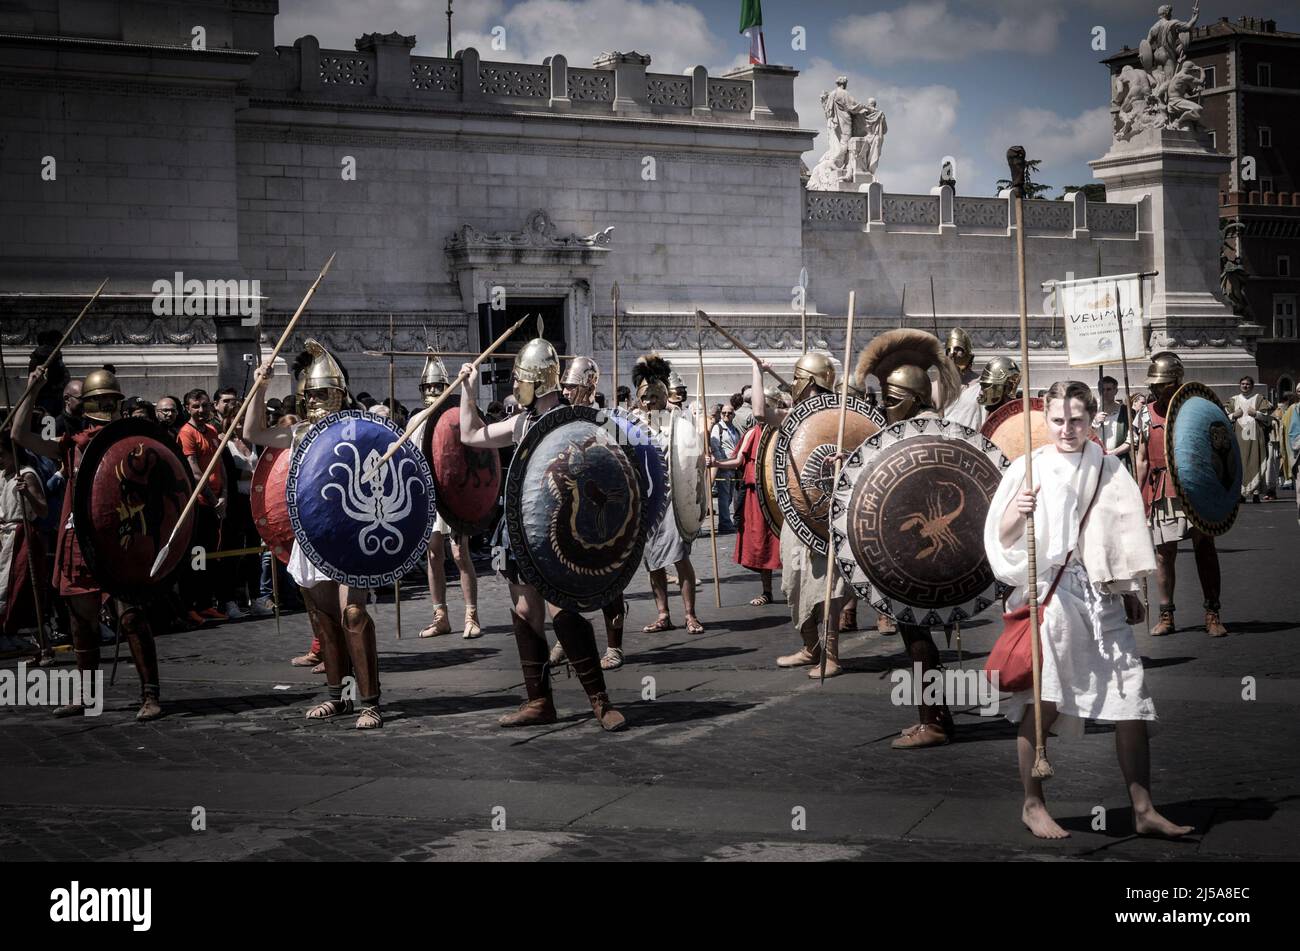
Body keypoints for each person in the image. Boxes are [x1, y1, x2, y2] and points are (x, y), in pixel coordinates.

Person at [987, 379, 1192, 841]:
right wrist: (1019, 510)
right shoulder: (1030, 468)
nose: (1066, 429)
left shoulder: (1107, 466)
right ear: (1046, 418)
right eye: (1057, 420)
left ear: (1091, 417)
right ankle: (1033, 804)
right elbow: (999, 537)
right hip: (1052, 596)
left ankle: (1143, 809)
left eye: (1076, 419)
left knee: (1131, 700)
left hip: (1102, 596)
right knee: (1045, 701)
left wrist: (1130, 589)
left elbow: (1121, 531)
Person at [459, 338, 627, 730]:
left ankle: (600, 701)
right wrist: (467, 389)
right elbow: (470, 435)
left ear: (534, 383)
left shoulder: (579, 422)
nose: (515, 387)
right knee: (524, 612)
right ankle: (539, 702)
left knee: (562, 611)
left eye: (519, 380)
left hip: (562, 534)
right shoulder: (522, 423)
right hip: (521, 529)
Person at [12, 366, 165, 720]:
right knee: (82, 623)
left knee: (130, 618)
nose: (105, 406)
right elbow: (20, 434)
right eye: (99, 401)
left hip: (121, 542)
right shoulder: (73, 446)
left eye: (110, 400)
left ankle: (150, 694)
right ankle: (87, 696)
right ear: (84, 405)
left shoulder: (134, 445)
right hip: (78, 540)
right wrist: (32, 388)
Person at [245, 342, 384, 729]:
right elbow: (253, 431)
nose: (322, 399)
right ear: (305, 397)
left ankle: (370, 701)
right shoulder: (298, 431)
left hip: (354, 535)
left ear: (341, 393)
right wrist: (260, 387)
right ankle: (339, 698)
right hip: (312, 533)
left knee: (352, 613)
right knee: (323, 619)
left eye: (328, 393)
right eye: (315, 394)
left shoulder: (359, 428)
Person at [856, 330, 962, 742]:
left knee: (917, 636)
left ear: (914, 397)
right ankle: (936, 716)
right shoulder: (909, 431)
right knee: (914, 634)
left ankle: (934, 722)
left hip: (924, 558)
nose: (884, 405)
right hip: (910, 549)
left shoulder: (925, 433)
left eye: (891, 397)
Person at [749, 348, 854, 674]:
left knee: (829, 587)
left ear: (809, 380)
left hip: (828, 517)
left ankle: (832, 656)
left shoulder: (840, 416)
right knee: (794, 582)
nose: (793, 383)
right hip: (798, 514)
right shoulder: (794, 416)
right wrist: (758, 370)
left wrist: (845, 458)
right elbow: (759, 413)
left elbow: (864, 452)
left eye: (797, 378)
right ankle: (811, 647)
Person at [1135, 352, 1228, 637]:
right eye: (1154, 384)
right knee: (1164, 555)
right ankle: (1167, 615)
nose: (1155, 389)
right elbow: (1141, 458)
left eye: (1161, 383)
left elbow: (1220, 452)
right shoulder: (1144, 414)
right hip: (1161, 488)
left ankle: (1212, 613)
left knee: (1205, 549)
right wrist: (1136, 496)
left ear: (1176, 382)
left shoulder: (1197, 410)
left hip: (1194, 486)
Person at [550, 355, 629, 669]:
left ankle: (614, 648)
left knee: (610, 583)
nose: (566, 392)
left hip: (604, 510)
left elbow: (625, 465)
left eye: (571, 387)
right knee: (566, 580)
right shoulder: (561, 418)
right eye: (565, 387)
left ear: (586, 386)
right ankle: (568, 641)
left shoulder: (606, 421)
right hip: (572, 505)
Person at [634, 354, 705, 636]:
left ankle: (690, 614)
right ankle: (663, 614)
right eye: (645, 396)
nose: (649, 401)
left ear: (664, 395)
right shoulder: (632, 426)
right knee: (653, 561)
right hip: (648, 504)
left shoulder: (680, 423)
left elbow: (692, 464)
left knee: (679, 557)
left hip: (675, 501)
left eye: (654, 395)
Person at [413, 351, 481, 641]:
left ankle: (471, 615)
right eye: (428, 388)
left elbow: (472, 453)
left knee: (459, 553)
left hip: (453, 495)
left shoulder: (455, 417)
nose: (433, 392)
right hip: (429, 496)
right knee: (433, 554)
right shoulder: (414, 421)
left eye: (437, 387)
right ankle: (440, 616)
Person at [708, 383, 782, 606]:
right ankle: (767, 591)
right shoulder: (752, 433)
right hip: (755, 496)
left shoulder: (785, 431)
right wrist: (716, 462)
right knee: (761, 543)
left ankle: (795, 589)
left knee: (787, 545)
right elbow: (739, 460)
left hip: (782, 497)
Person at [178, 389, 228, 625]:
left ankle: (206, 603)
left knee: (210, 556)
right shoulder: (186, 433)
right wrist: (212, 499)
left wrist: (224, 495)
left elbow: (220, 465)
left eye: (205, 406)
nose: (201, 411)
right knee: (195, 558)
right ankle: (191, 605)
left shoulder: (211, 430)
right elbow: (196, 472)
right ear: (187, 408)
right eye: (196, 407)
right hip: (199, 505)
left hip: (216, 501)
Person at [0, 432, 47, 654]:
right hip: (5, 537)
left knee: (21, 590)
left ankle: (43, 645)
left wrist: (27, 493)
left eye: (2, 454)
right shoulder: (2, 475)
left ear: (13, 453)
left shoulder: (26, 475)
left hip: (24, 536)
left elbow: (43, 510)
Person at [1229, 376, 1270, 504]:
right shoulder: (1233, 400)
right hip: (1239, 436)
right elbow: (1223, 416)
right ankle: (1241, 493)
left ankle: (1256, 493)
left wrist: (1256, 413)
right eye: (1243, 384)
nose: (1245, 386)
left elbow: (1268, 417)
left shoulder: (1258, 399)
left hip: (1254, 435)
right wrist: (1233, 415)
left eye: (1247, 384)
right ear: (1239, 385)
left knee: (1255, 460)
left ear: (1252, 386)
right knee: (1239, 463)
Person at [940, 327, 983, 430]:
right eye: (949, 350)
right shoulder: (938, 387)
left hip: (972, 442)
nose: (952, 354)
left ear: (968, 354)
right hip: (946, 442)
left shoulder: (982, 386)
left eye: (958, 349)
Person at [709, 403, 740, 534]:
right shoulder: (718, 428)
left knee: (729, 497)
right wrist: (722, 462)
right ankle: (725, 523)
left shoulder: (735, 429)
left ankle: (725, 521)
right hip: (724, 466)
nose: (726, 415)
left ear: (733, 415)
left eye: (729, 413)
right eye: (724, 413)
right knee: (723, 495)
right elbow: (715, 446)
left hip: (733, 466)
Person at [1093, 375, 1133, 472]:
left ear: (1116, 390)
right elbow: (1083, 436)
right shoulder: (1092, 411)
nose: (1105, 392)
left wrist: (1111, 453)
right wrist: (1094, 423)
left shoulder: (1126, 411)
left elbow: (1131, 440)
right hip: (1096, 460)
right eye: (1102, 389)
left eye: (1109, 389)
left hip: (1119, 461)